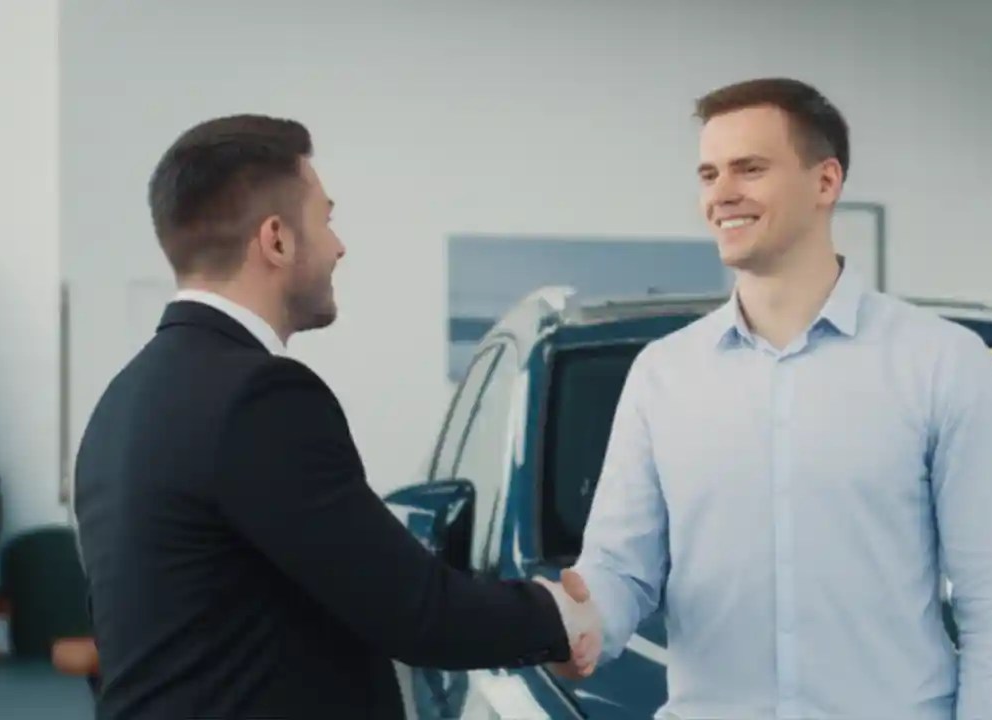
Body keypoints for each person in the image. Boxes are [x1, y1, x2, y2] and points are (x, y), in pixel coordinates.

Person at [72, 114, 599, 720]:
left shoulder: (121, 401)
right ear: (276, 239)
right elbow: (412, 609)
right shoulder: (259, 397)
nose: (339, 244)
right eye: (326, 217)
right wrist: (559, 618)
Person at [556, 78, 992, 718]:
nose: (721, 194)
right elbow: (623, 572)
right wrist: (575, 625)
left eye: (749, 169)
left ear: (826, 182)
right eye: (708, 174)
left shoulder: (942, 363)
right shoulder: (663, 375)